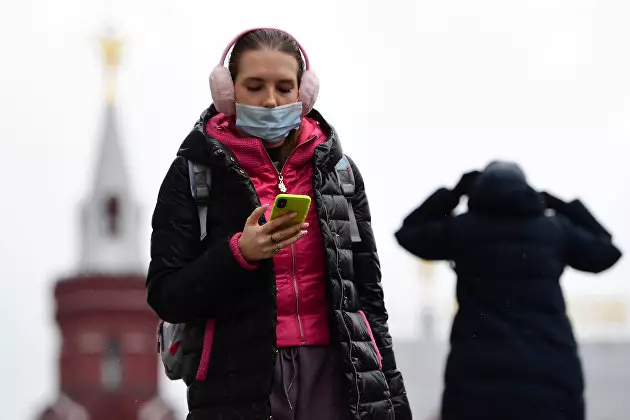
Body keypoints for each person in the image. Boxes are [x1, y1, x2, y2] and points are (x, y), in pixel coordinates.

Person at [146, 28, 411, 420]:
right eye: (254, 86)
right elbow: (166, 294)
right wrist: (239, 254)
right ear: (227, 91)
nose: (270, 101)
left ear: (303, 94)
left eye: (284, 88)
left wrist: (393, 399)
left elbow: (368, 303)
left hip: (336, 377)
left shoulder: (340, 173)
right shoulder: (194, 172)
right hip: (236, 384)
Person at [395, 161, 622, 420]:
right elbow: (607, 251)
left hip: (475, 383)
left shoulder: (461, 230)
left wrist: (453, 193)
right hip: (550, 379)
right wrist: (561, 205)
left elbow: (408, 232)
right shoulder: (555, 230)